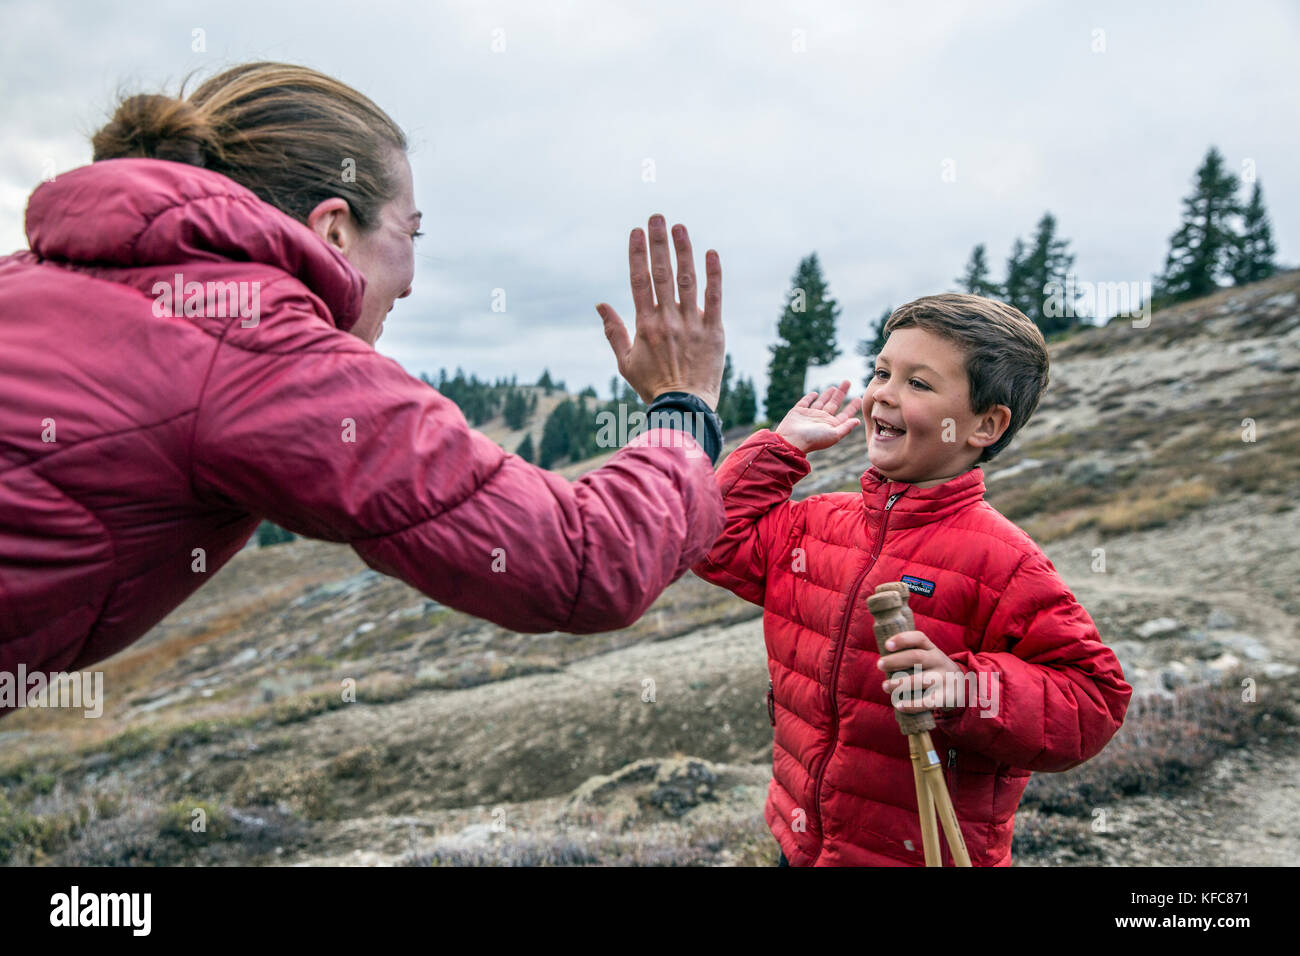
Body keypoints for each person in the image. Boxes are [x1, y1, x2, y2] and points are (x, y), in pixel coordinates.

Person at [0, 62, 726, 718]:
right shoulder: (261, 349)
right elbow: (584, 560)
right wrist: (683, 408)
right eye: (411, 230)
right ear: (335, 230)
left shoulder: (27, 277)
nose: (412, 276)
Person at [691, 293, 1133, 866]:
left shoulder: (1004, 562)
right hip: (802, 841)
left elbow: (1092, 702)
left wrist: (965, 688)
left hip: (923, 851)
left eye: (919, 384)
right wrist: (782, 448)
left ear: (985, 424)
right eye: (881, 372)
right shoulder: (818, 523)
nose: (883, 394)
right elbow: (713, 541)